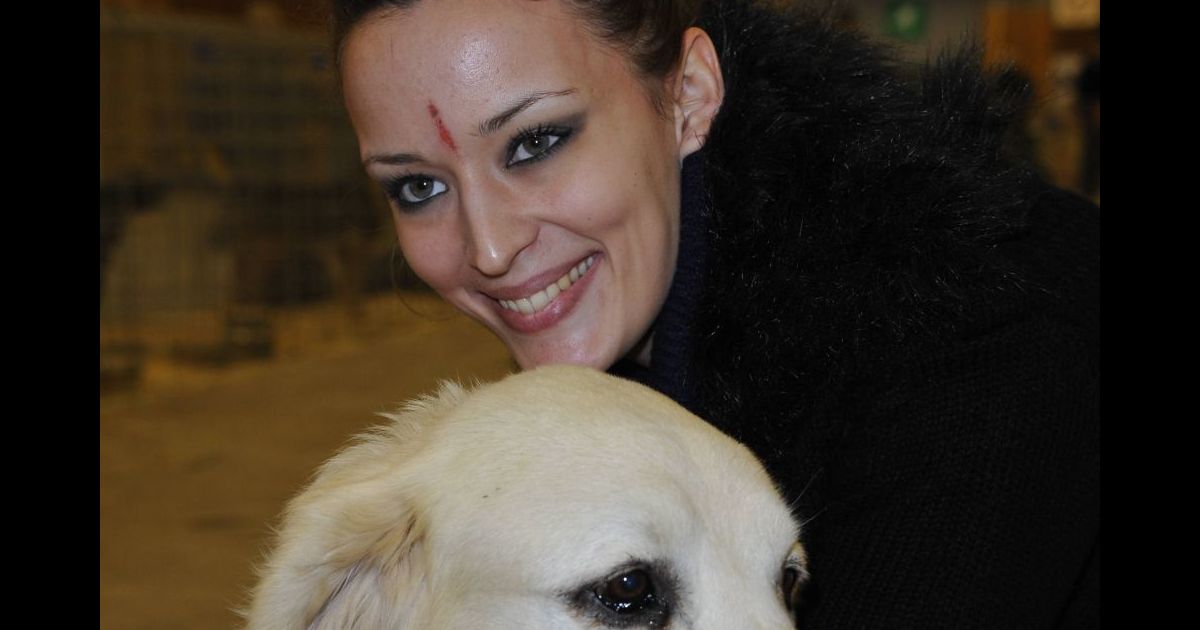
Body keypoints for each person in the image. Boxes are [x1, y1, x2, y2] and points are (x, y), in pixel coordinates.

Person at [332, 0, 1100, 627]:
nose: (490, 248)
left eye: (537, 141)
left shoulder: (986, 348)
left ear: (689, 95)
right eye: (417, 188)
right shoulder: (641, 315)